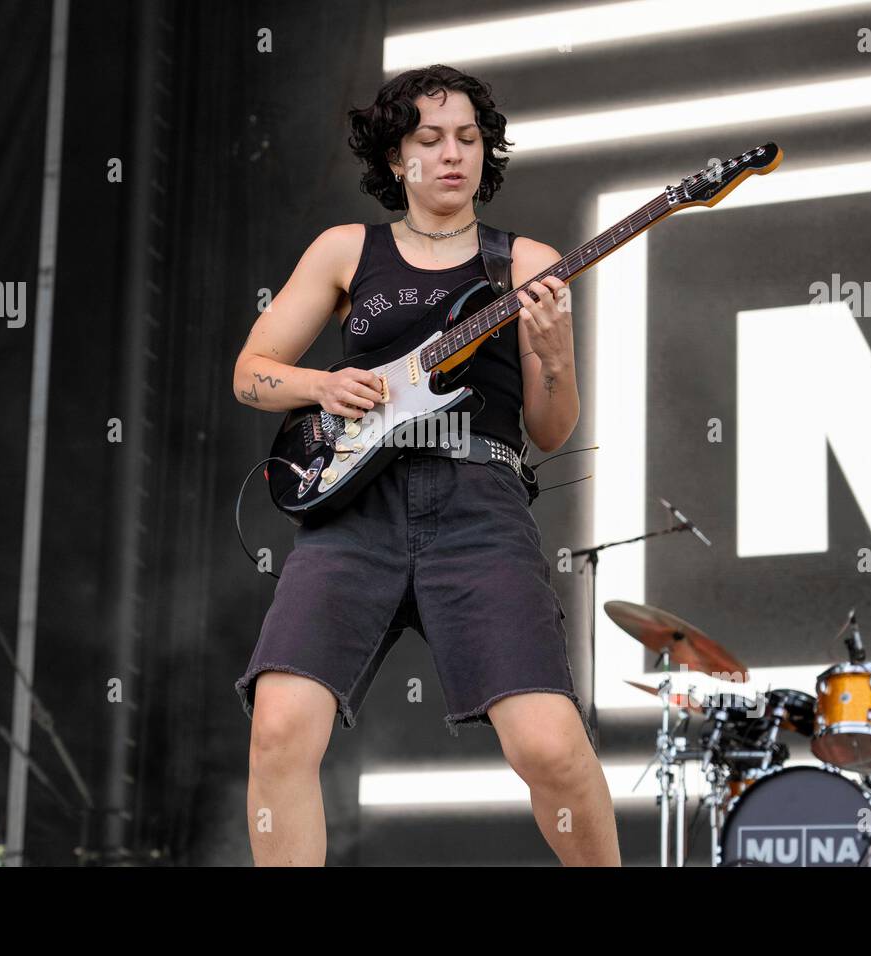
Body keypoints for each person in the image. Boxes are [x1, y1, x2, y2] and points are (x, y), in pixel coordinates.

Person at [230, 64, 618, 866]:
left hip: (478, 504)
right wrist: (320, 383)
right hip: (354, 511)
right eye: (430, 139)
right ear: (394, 157)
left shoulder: (527, 260)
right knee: (277, 730)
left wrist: (554, 352)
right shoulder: (347, 250)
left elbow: (551, 428)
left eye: (469, 139)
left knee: (549, 747)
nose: (453, 155)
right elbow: (252, 373)